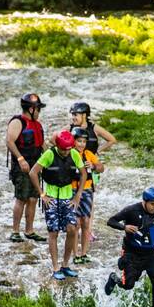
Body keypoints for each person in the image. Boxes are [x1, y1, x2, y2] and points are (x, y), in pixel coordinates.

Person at [103, 187, 154, 307]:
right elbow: (111, 221)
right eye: (152, 204)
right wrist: (124, 227)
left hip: (150, 253)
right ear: (145, 201)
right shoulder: (132, 210)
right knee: (129, 285)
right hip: (131, 253)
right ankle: (114, 278)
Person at [29, 129, 87, 281]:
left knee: (72, 229)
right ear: (58, 147)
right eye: (63, 150)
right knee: (53, 232)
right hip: (52, 198)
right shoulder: (49, 154)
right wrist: (42, 194)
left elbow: (83, 173)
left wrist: (78, 194)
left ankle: (65, 265)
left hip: (68, 197)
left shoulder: (73, 153)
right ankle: (55, 268)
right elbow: (33, 173)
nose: (66, 153)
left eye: (68, 150)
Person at [68, 102, 116, 252]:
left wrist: (97, 152)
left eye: (76, 114)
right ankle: (78, 229)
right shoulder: (70, 129)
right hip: (74, 171)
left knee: (89, 199)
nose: (73, 117)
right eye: (73, 115)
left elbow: (112, 139)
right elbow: (53, 139)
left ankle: (88, 230)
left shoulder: (94, 128)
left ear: (84, 115)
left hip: (91, 166)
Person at [6, 92, 46, 243]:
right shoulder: (17, 122)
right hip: (22, 167)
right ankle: (15, 231)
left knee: (33, 198)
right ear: (31, 109)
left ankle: (29, 231)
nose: (39, 112)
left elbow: (41, 144)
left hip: (36, 166)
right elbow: (9, 141)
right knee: (21, 198)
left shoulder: (37, 124)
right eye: (38, 109)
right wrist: (21, 159)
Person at [70, 126, 103, 265]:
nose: (81, 144)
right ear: (73, 141)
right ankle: (75, 254)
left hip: (87, 190)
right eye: (79, 141)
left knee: (85, 222)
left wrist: (94, 166)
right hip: (72, 191)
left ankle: (84, 253)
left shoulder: (89, 154)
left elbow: (101, 167)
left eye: (84, 141)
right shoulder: (69, 154)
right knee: (75, 223)